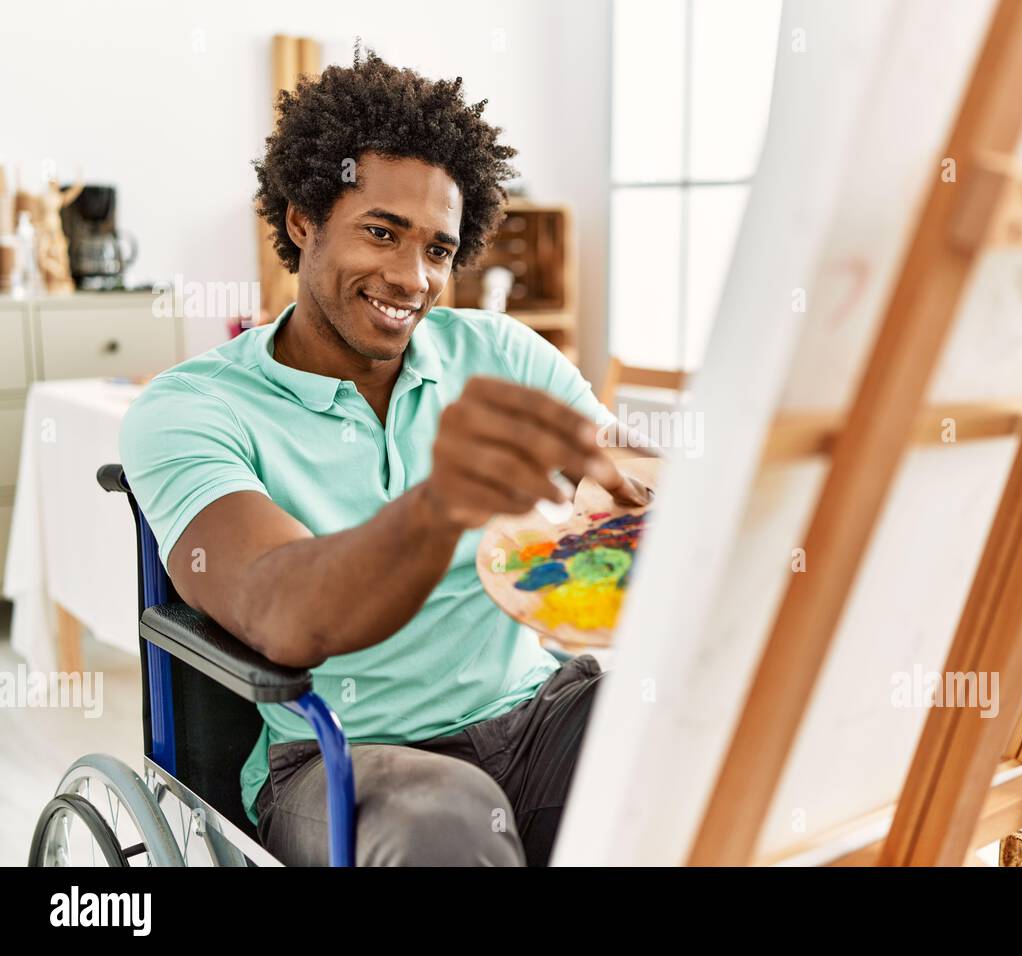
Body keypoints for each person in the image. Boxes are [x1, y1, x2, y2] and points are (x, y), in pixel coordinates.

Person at [120, 43, 650, 867]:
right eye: (381, 233)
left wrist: (627, 496)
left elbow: (615, 472)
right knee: (441, 822)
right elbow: (283, 613)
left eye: (438, 250)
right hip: (344, 754)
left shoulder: (501, 351)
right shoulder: (194, 408)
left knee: (686, 736)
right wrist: (439, 506)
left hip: (535, 712)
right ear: (303, 220)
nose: (412, 277)